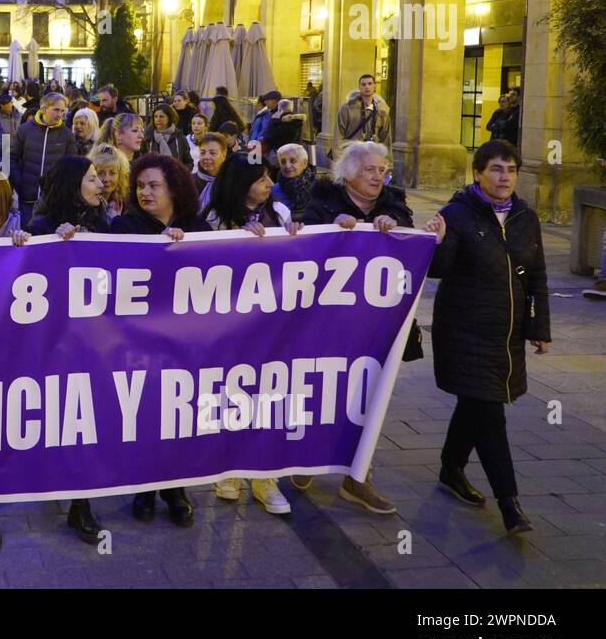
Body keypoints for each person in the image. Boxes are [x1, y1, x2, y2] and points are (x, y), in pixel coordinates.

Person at [424, 139, 549, 535]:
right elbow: (437, 271)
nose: (504, 177)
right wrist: (438, 241)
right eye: (496, 169)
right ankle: (510, 503)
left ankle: (450, 468)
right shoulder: (457, 214)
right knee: (490, 413)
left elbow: (537, 277)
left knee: (475, 405)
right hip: (464, 331)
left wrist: (538, 328)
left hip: (505, 335)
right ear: (478, 173)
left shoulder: (526, 217)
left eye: (511, 170)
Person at [293, 141, 414, 514]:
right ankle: (306, 458)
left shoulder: (393, 202)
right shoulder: (324, 201)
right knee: (321, 392)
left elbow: (415, 246)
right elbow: (300, 243)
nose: (378, 176)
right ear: (349, 173)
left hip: (374, 328)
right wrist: (329, 229)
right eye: (370, 170)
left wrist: (397, 230)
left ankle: (357, 478)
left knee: (368, 398)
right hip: (325, 326)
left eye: (382, 170)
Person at [110, 153, 208, 525]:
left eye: (154, 186)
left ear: (174, 189)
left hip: (186, 344)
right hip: (140, 342)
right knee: (148, 415)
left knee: (180, 417)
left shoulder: (198, 226)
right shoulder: (124, 227)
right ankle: (145, 487)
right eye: (140, 186)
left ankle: (176, 489)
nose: (145, 192)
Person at [202, 153, 301, 515]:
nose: (270, 185)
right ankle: (226, 470)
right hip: (226, 327)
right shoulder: (214, 218)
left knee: (268, 397)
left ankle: (265, 477)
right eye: (262, 179)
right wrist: (236, 241)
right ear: (243, 184)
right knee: (227, 396)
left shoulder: (281, 213)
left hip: (271, 328)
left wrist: (295, 238)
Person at [25, 155, 109, 543]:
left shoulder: (104, 221)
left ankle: (81, 506)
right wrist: (53, 248)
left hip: (94, 345)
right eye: (92, 179)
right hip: (53, 348)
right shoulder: (42, 226)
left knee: (85, 425)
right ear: (73, 183)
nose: (101, 185)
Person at [10, 91, 77, 209]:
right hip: (27, 198)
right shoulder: (25, 130)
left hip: (53, 201)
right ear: (44, 109)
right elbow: (12, 158)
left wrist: (60, 189)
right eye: (56, 110)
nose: (60, 114)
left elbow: (72, 167)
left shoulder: (67, 135)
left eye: (62, 111)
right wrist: (20, 182)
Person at [336, 73, 392, 152]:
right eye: (363, 84)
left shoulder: (382, 110)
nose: (367, 87)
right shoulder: (347, 108)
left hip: (372, 156)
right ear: (359, 87)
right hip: (352, 156)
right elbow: (338, 136)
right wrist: (339, 160)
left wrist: (387, 162)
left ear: (374, 86)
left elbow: (386, 139)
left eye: (370, 84)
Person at [273, 144, 318, 218]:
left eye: (293, 161)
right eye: (283, 162)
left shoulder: (319, 188)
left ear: (304, 163)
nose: (287, 166)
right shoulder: (273, 191)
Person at [87, 143, 129, 223]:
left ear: (120, 175)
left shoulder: (126, 204)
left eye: (112, 173)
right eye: (100, 173)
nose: (106, 179)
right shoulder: (87, 206)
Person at [191, 131, 229, 204]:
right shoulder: (189, 182)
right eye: (203, 152)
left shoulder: (229, 183)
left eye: (212, 153)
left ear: (224, 155)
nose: (206, 157)